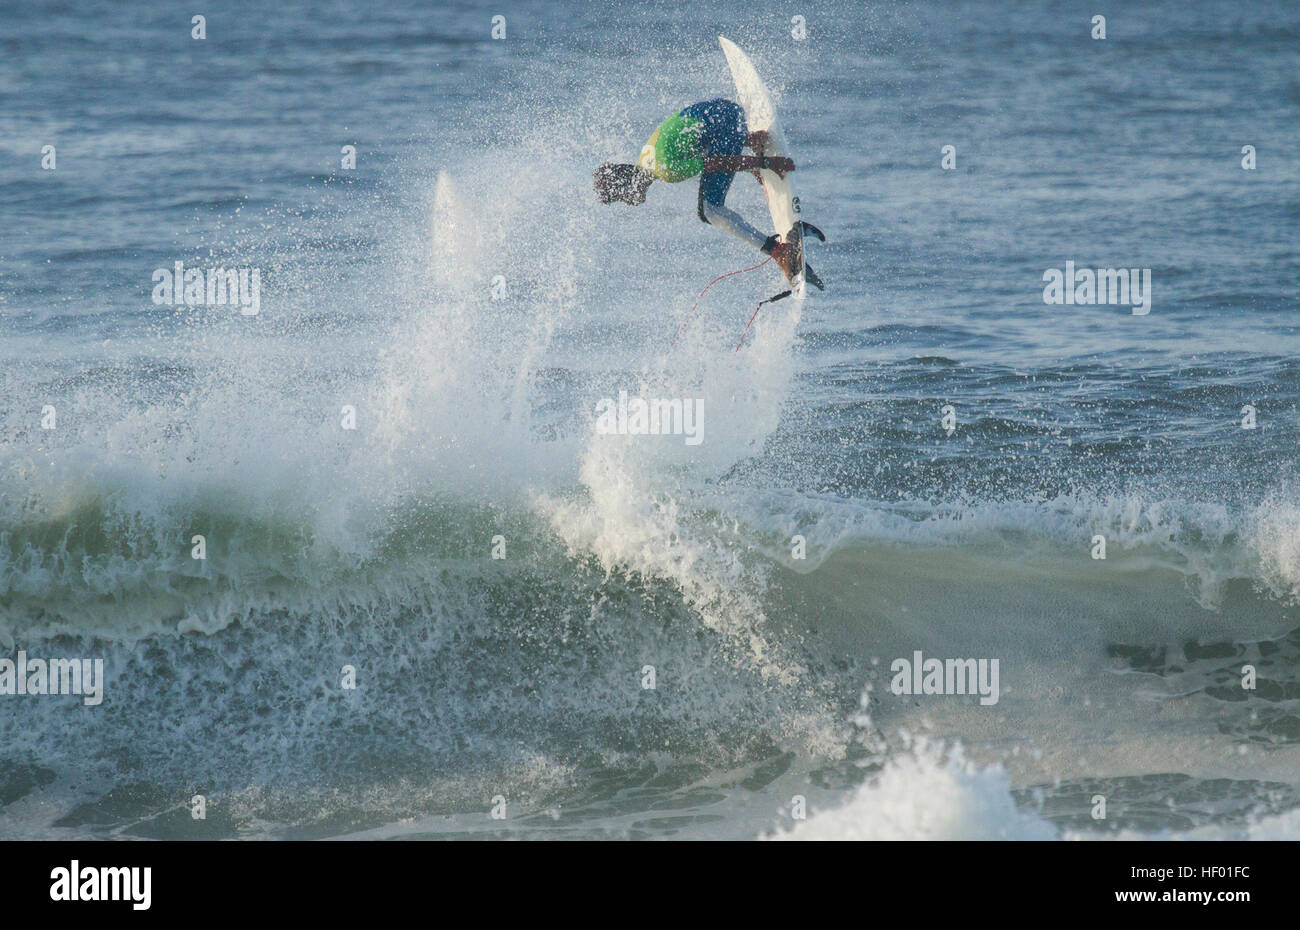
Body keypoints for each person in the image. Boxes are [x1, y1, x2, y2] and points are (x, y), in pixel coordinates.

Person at [593, 98, 806, 283]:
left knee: (709, 210)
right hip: (723, 111)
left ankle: (779, 252)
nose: (628, 203)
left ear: (628, 187)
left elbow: (718, 163)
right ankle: (751, 140)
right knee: (703, 174)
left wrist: (766, 163)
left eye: (622, 198)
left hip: (727, 124)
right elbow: (699, 148)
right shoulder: (646, 158)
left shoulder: (666, 171)